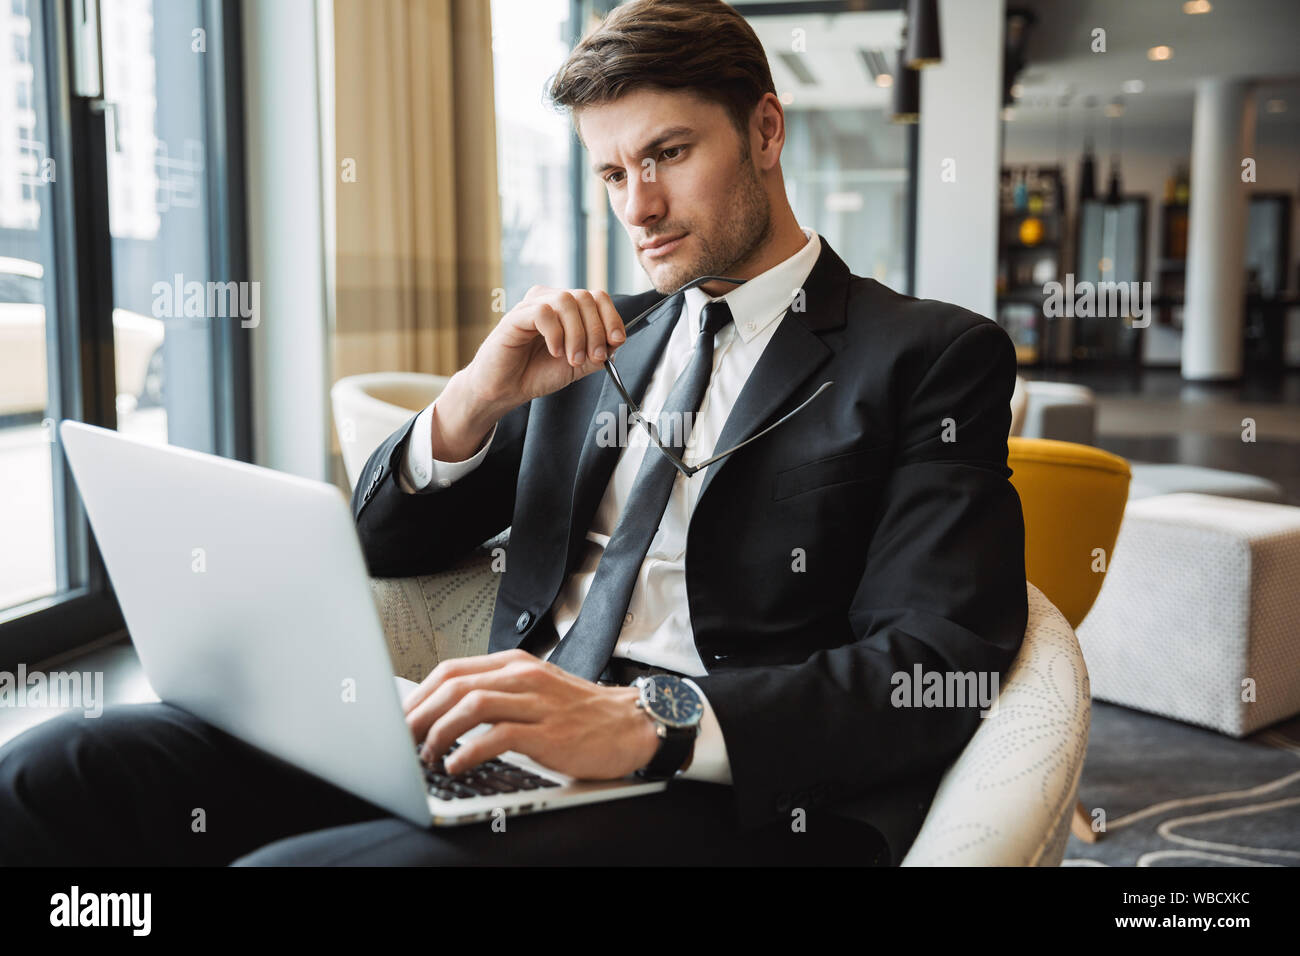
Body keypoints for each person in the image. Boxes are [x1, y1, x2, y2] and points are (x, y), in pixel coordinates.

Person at [0, 0, 1025, 866]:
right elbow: (382, 546)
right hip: (497, 744)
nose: (641, 206)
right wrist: (471, 401)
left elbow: (940, 657)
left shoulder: (925, 354)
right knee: (55, 771)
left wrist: (644, 722)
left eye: (668, 153)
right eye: (613, 173)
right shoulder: (595, 342)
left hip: (713, 791)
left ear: (764, 131)